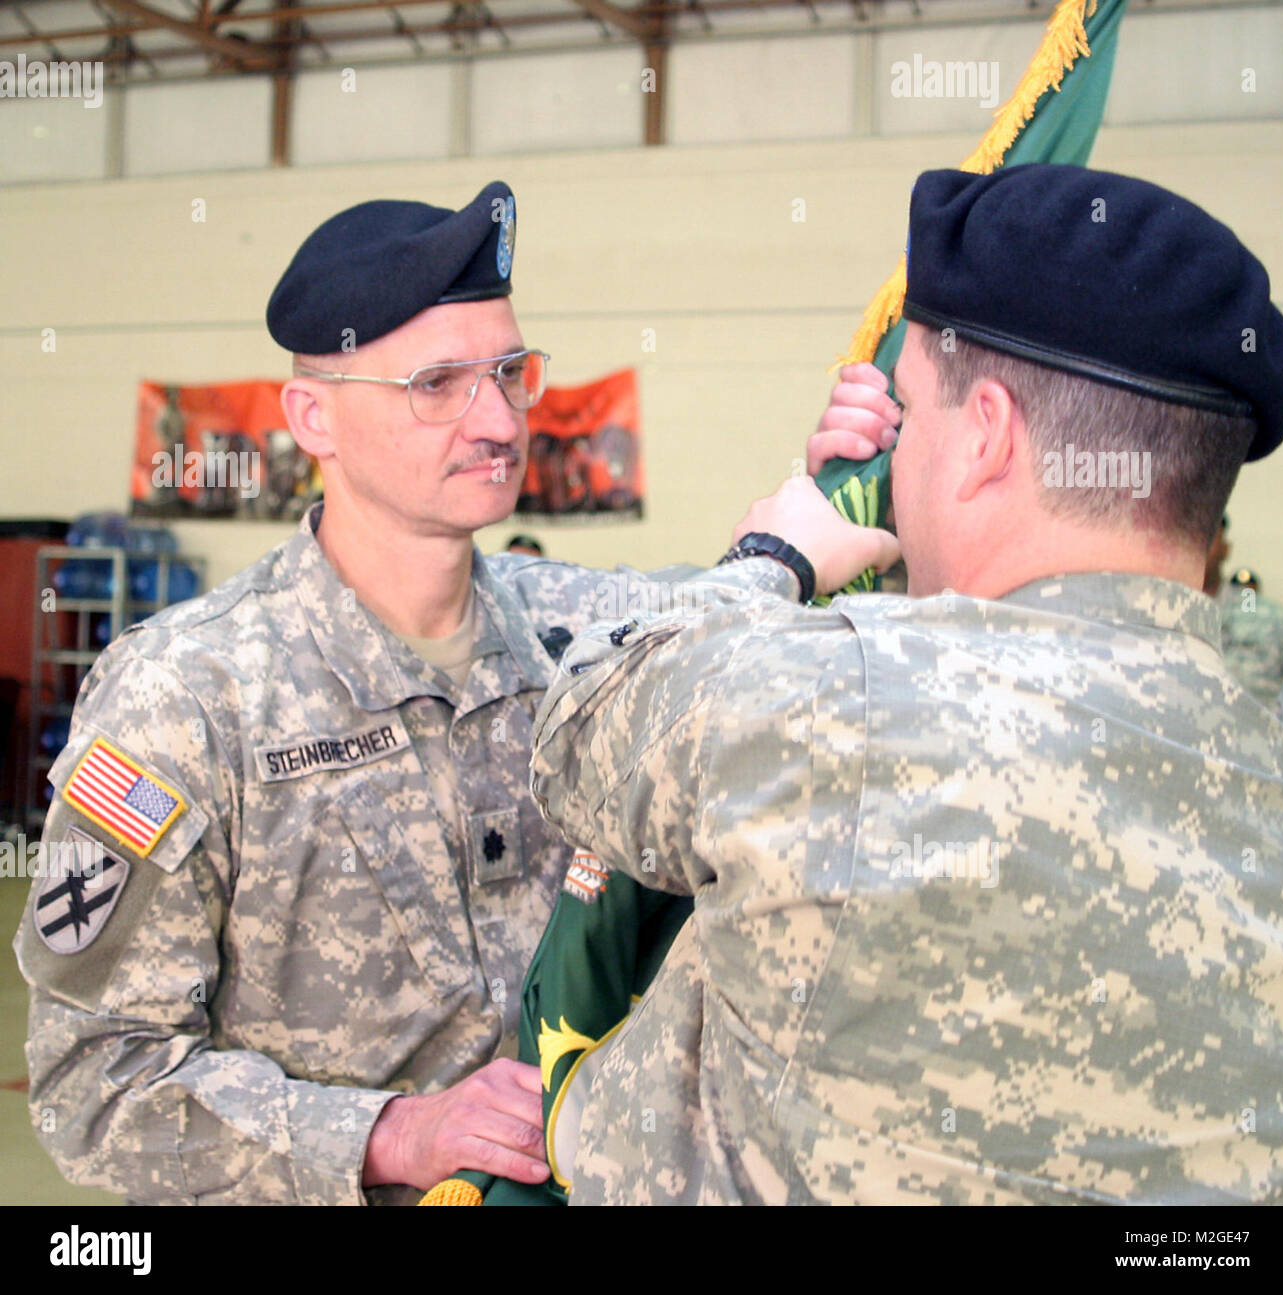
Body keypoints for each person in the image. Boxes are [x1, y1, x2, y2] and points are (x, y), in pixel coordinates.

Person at [15, 182, 832, 1205]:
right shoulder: (187, 696)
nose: (495, 418)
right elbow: (95, 1081)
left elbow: (739, 610)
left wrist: (836, 474)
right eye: (437, 382)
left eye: (507, 373)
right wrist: (393, 1135)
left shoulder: (576, 631)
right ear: (312, 416)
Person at [530, 164, 1283, 1205]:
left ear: (984, 434)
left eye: (913, 419)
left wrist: (772, 555)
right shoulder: (1272, 758)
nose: (896, 462)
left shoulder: (837, 705)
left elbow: (581, 718)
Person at [1203, 517, 1283, 713]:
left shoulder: (1270, 619)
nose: (1198, 547)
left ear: (1224, 549)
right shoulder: (1152, 616)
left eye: (1208, 537)